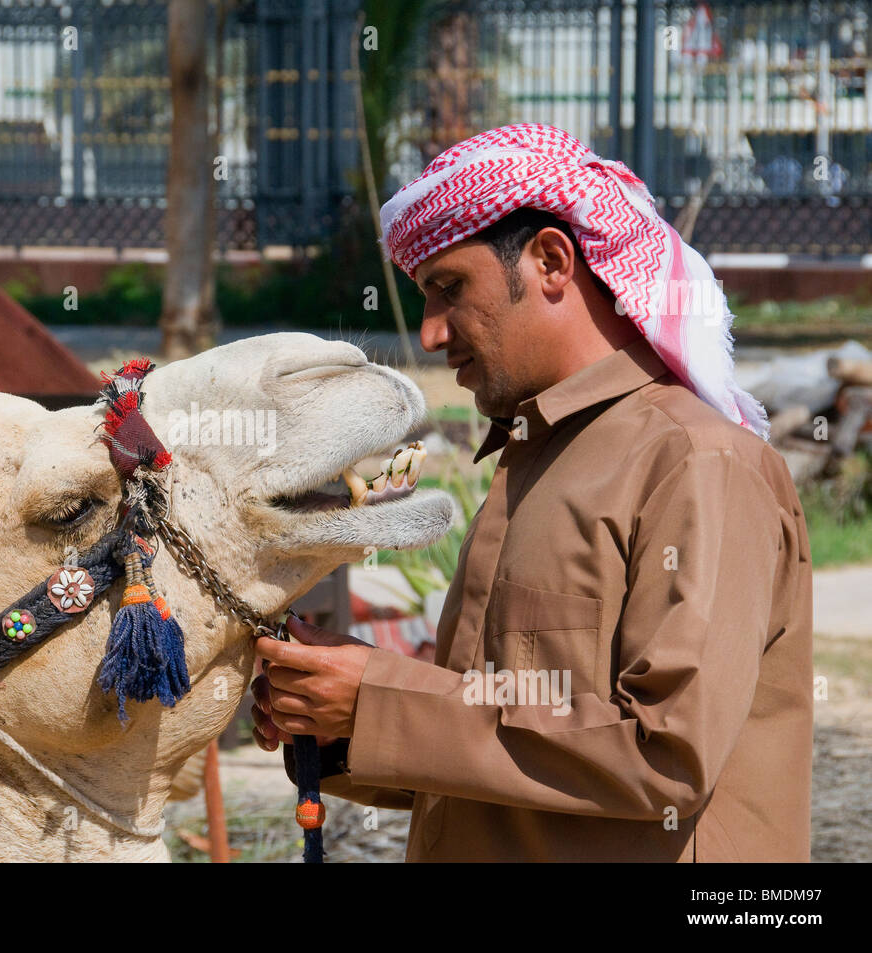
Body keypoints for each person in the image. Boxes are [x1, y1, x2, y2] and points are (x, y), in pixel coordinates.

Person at [251, 124, 812, 862]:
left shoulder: (696, 461)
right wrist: (341, 721)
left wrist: (383, 698)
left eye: (450, 289)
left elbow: (663, 755)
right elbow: (495, 751)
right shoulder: (536, 454)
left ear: (551, 260)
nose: (428, 333)